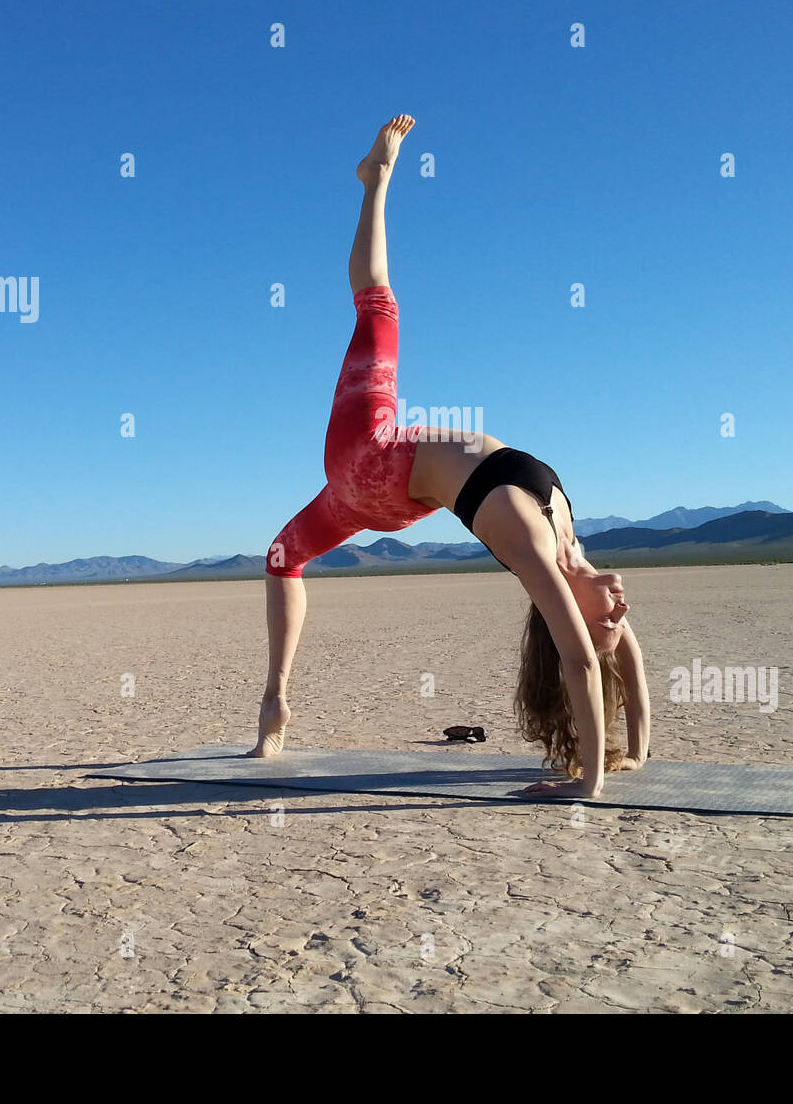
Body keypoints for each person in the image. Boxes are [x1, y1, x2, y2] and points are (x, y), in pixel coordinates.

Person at [252, 116, 650, 798]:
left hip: (370, 459)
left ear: (571, 615)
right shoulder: (569, 540)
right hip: (384, 495)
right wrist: (636, 750)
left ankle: (374, 181)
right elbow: (621, 662)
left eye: (606, 613)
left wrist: (588, 784)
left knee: (378, 307)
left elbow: (583, 662)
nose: (620, 604)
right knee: (283, 557)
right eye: (619, 612)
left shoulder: (531, 543)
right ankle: (273, 704)